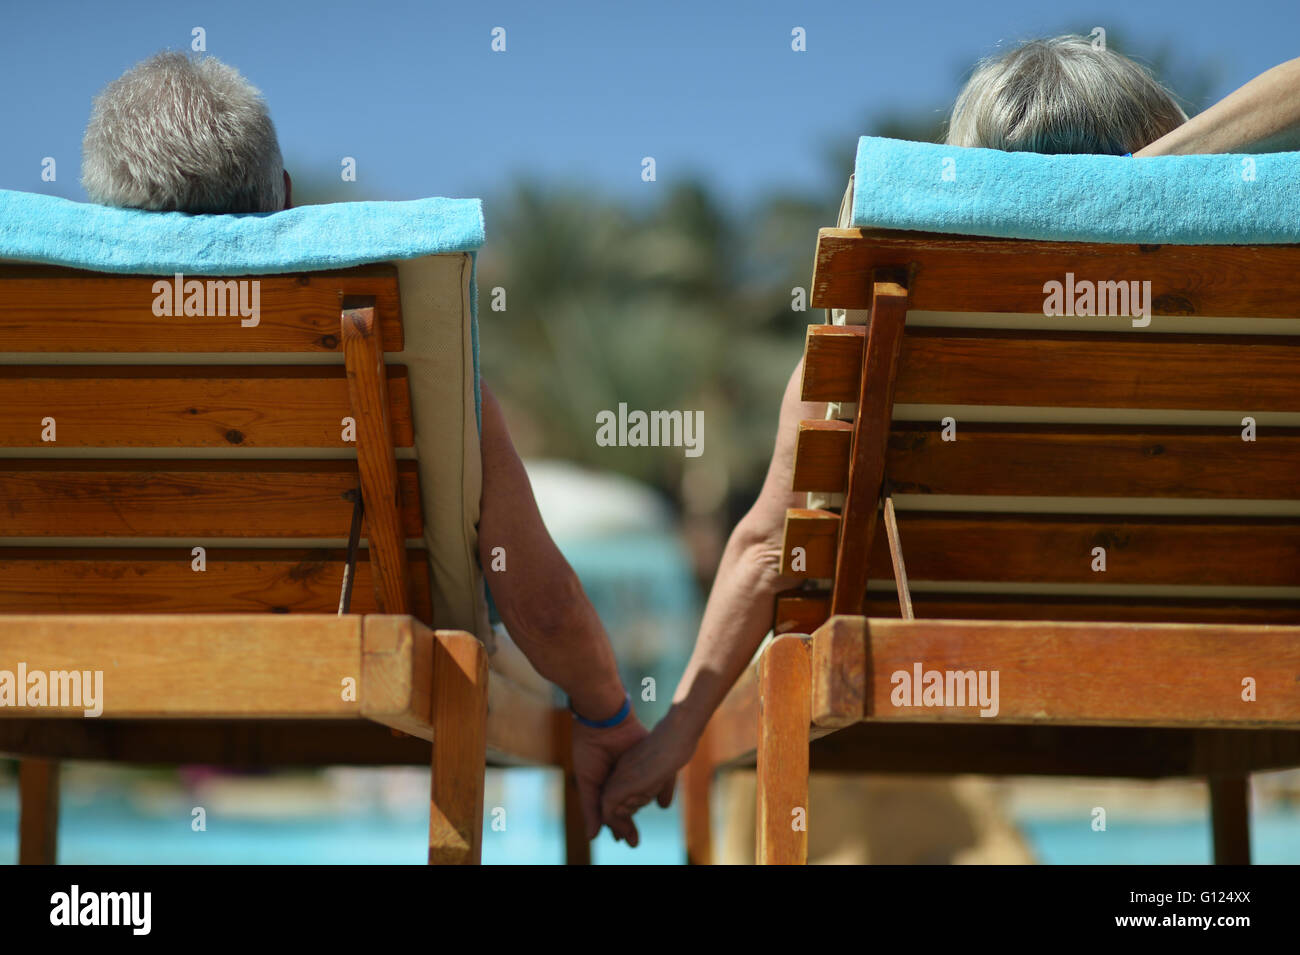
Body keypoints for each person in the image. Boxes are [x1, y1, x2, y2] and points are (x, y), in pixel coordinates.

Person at [599, 35, 1300, 843]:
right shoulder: (1253, 303)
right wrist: (1149, 187)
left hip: (941, 656)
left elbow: (765, 543)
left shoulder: (888, 310)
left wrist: (672, 734)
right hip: (1220, 647)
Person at [79, 50, 656, 842]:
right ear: (281, 198)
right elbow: (539, 599)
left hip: (85, 654)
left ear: (101, 213)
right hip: (364, 658)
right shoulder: (410, 351)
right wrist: (607, 713)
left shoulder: (41, 339)